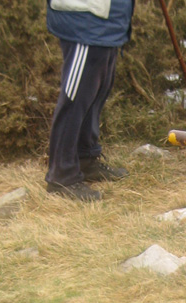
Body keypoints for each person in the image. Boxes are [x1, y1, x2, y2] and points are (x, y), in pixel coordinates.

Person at [45, 0, 135, 201]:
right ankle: (62, 175)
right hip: (85, 17)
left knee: (98, 89)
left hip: (108, 16)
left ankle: (84, 158)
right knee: (76, 97)